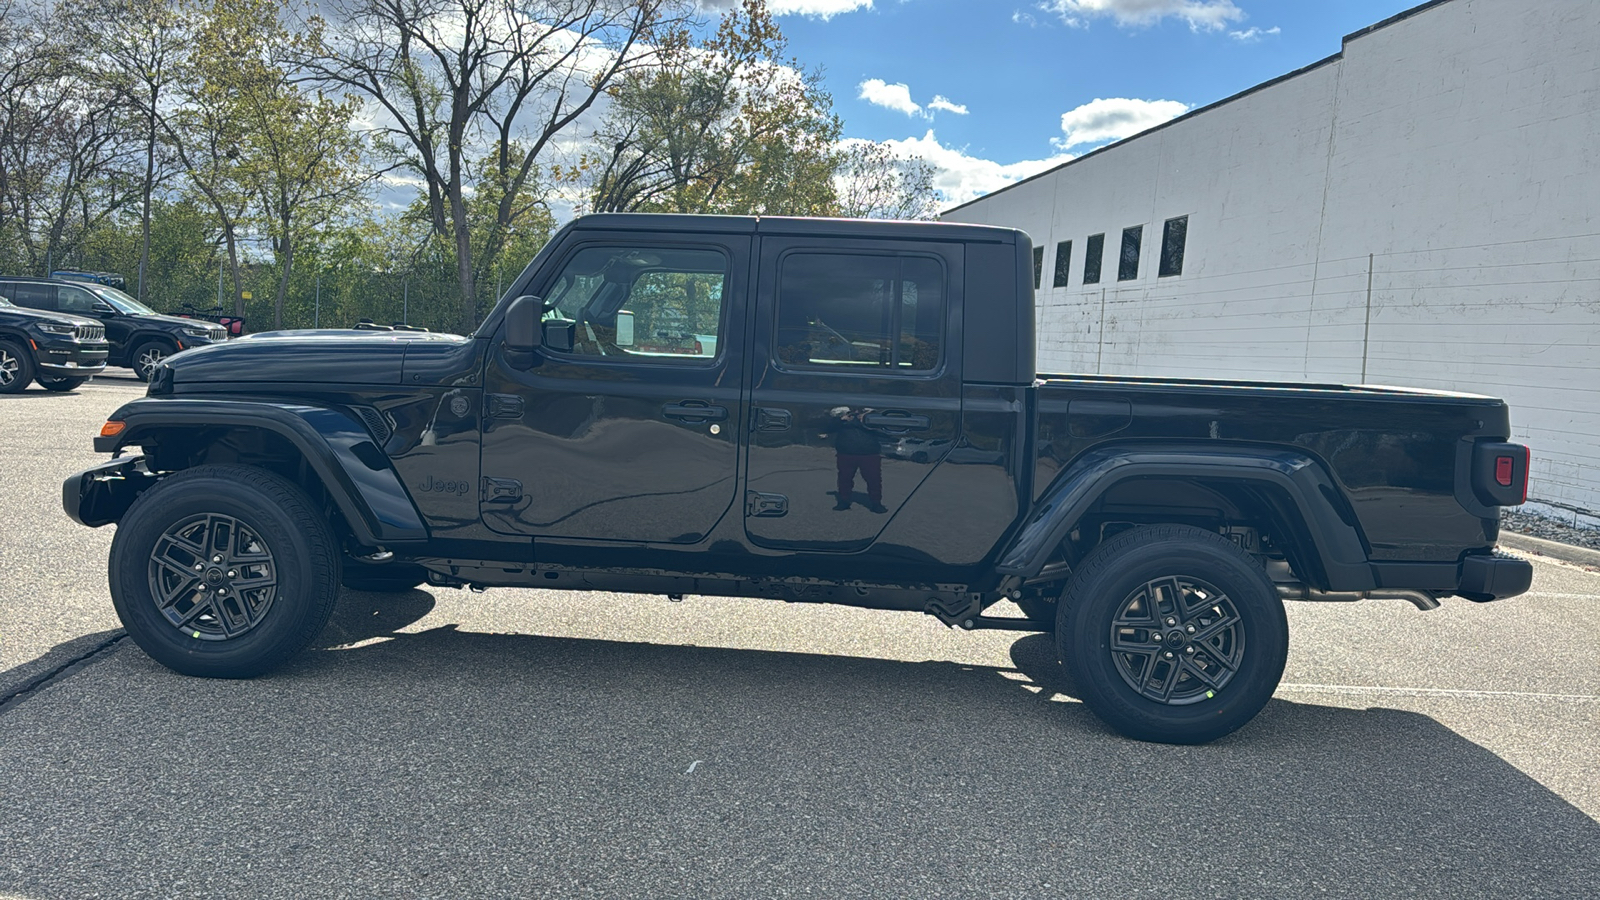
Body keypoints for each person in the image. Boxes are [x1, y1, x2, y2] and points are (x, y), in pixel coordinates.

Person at [829, 406, 886, 513]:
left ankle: (876, 503)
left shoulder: (873, 419)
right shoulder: (841, 420)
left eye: (860, 410)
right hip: (846, 453)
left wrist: (867, 420)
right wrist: (840, 420)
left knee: (874, 479)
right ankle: (844, 501)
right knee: (844, 478)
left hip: (869, 453)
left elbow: (884, 432)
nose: (856, 413)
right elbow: (828, 428)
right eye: (853, 411)